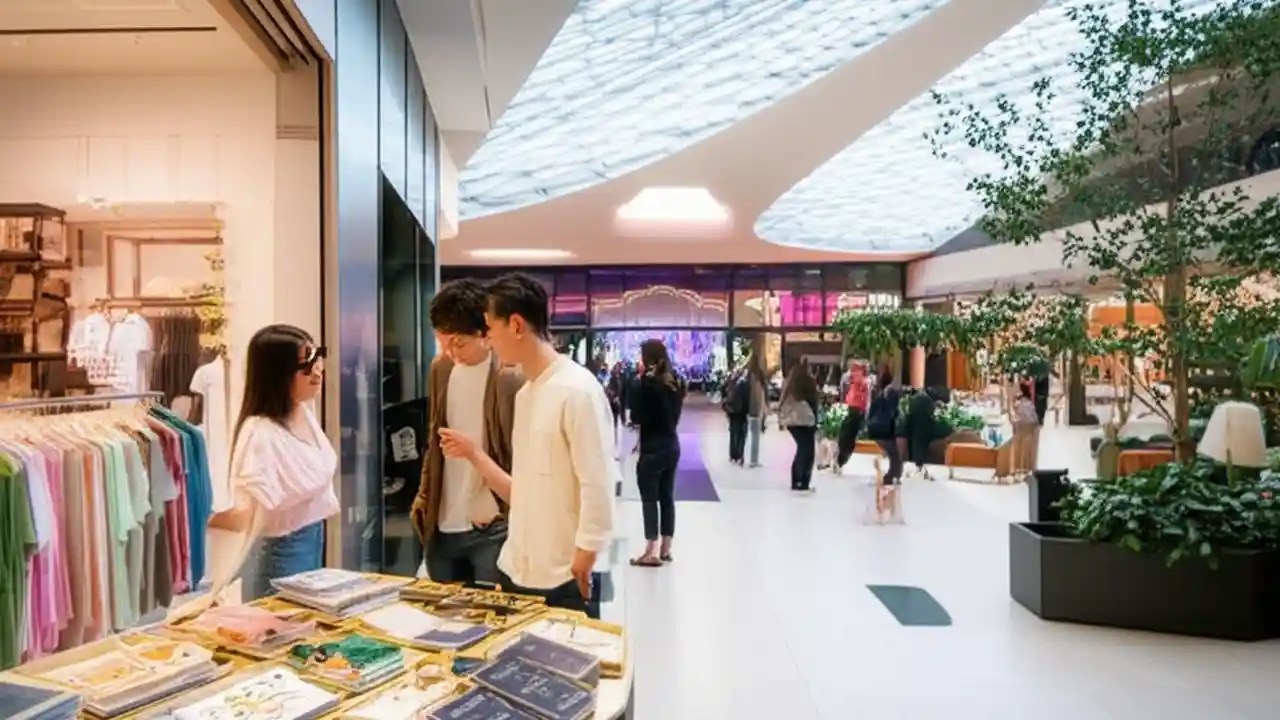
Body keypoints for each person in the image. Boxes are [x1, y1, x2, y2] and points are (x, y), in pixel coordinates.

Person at [439, 273, 616, 614]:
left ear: (516, 325)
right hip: (516, 569)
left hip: (564, 574)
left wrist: (586, 553)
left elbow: (598, 482)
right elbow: (525, 488)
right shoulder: (526, 394)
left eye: (490, 329)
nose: (488, 340)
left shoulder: (578, 390)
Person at [205, 324, 337, 598]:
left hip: (311, 540)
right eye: (306, 365)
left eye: (317, 360)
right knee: (282, 634)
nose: (317, 371)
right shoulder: (260, 433)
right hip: (281, 552)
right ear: (278, 373)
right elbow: (247, 511)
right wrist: (199, 523)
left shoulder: (303, 412)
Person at [411, 279, 524, 586]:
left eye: (458, 343)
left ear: (484, 333)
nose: (450, 352)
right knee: (442, 622)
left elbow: (520, 455)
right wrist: (423, 496)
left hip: (491, 524)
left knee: (490, 618)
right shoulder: (441, 369)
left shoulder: (510, 377)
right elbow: (433, 440)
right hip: (442, 520)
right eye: (442, 343)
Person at [628, 339, 687, 566]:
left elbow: (636, 417)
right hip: (672, 444)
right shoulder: (676, 383)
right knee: (667, 497)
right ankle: (665, 547)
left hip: (652, 448)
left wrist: (638, 381)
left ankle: (650, 551)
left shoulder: (646, 384)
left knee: (649, 499)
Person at [778, 359, 821, 492]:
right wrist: (816, 422)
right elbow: (813, 402)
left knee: (801, 448)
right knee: (808, 451)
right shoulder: (809, 381)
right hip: (806, 420)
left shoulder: (790, 382)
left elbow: (782, 401)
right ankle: (804, 482)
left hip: (792, 421)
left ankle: (795, 480)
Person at [866, 365, 903, 493]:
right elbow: (894, 412)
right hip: (886, 430)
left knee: (891, 454)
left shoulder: (878, 395)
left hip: (875, 429)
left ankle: (891, 476)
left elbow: (870, 412)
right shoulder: (892, 393)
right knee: (895, 455)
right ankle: (893, 476)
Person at [835, 360, 869, 474]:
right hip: (858, 409)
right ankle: (841, 459)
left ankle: (840, 459)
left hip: (854, 407)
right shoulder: (861, 378)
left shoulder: (855, 377)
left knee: (846, 435)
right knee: (849, 437)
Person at [722, 366, 750, 464]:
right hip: (741, 411)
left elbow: (724, 393)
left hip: (732, 411)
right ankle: (739, 455)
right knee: (741, 434)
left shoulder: (730, 381)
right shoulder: (744, 383)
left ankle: (734, 455)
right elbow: (747, 399)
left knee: (734, 432)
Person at [745, 355, 770, 467]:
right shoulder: (756, 379)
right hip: (755, 411)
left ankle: (753, 458)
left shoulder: (751, 377)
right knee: (755, 437)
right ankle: (754, 460)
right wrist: (759, 411)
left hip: (753, 410)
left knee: (755, 436)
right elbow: (757, 397)